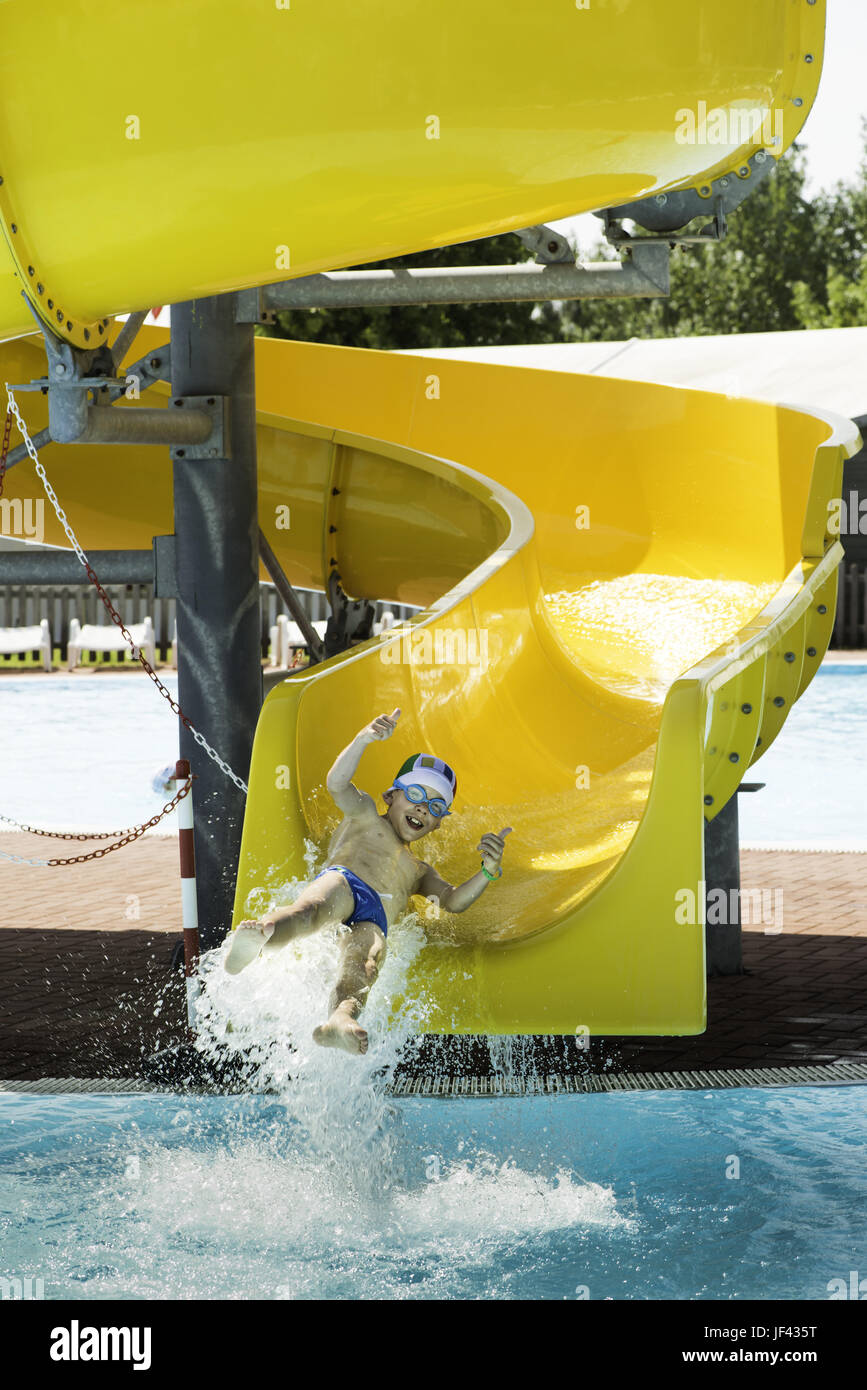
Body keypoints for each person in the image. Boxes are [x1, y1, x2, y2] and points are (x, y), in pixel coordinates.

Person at [224, 709, 511, 1054]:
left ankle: (340, 1021)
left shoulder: (420, 871)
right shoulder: (363, 814)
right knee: (310, 911)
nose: (423, 809)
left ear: (438, 824)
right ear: (390, 796)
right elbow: (337, 783)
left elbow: (453, 901)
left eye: (435, 807)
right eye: (416, 796)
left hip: (374, 918)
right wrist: (363, 739)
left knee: (364, 967)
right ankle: (262, 936)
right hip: (344, 883)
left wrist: (488, 870)